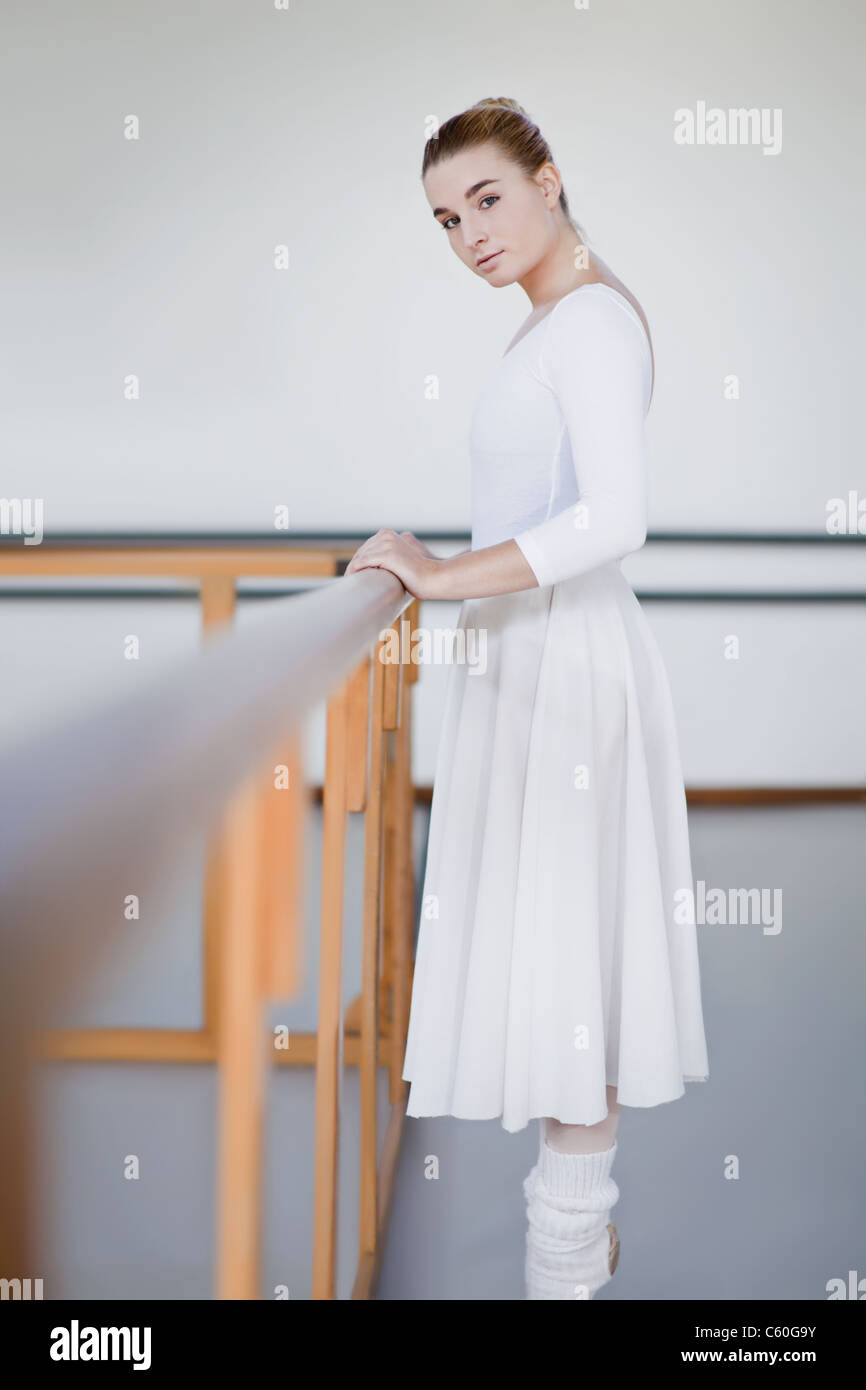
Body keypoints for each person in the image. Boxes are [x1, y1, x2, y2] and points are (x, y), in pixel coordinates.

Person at [344, 97, 709, 1300]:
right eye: (446, 220)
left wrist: (445, 577)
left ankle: (563, 1275)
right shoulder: (554, 321)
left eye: (487, 199)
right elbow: (538, 506)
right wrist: (433, 552)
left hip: (566, 667)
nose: (468, 235)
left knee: (572, 996)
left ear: (549, 180)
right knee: (559, 983)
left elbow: (613, 518)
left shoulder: (587, 322)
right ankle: (568, 1268)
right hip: (531, 658)